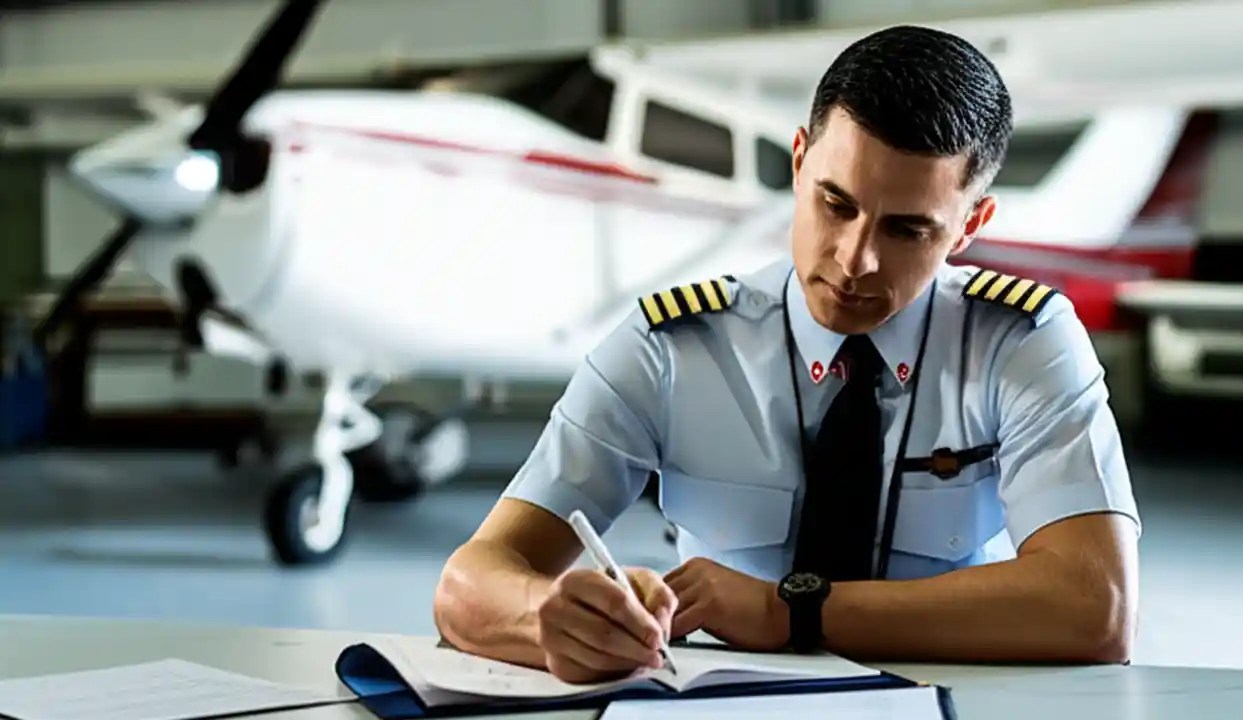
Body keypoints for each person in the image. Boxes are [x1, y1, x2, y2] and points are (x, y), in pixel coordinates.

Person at [434, 24, 1141, 683]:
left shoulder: (1022, 342)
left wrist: (787, 609)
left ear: (968, 226)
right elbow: (470, 584)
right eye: (836, 204)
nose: (856, 259)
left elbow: (1097, 605)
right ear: (799, 163)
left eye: (907, 230)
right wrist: (549, 621)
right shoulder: (670, 345)